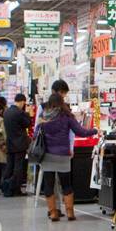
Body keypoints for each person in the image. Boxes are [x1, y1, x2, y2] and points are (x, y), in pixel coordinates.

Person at [33, 92, 97, 221]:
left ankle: (53, 213)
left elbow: (35, 135)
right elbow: (81, 131)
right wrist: (94, 131)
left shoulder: (43, 116)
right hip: (63, 155)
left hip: (47, 155)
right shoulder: (66, 116)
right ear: (62, 102)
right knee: (66, 184)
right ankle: (70, 213)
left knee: (49, 185)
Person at [2, 94, 32, 196]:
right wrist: (28, 113)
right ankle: (15, 189)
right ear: (22, 102)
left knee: (9, 166)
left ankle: (5, 187)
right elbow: (27, 123)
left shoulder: (7, 112)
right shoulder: (19, 113)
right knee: (18, 167)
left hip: (9, 143)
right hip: (20, 144)